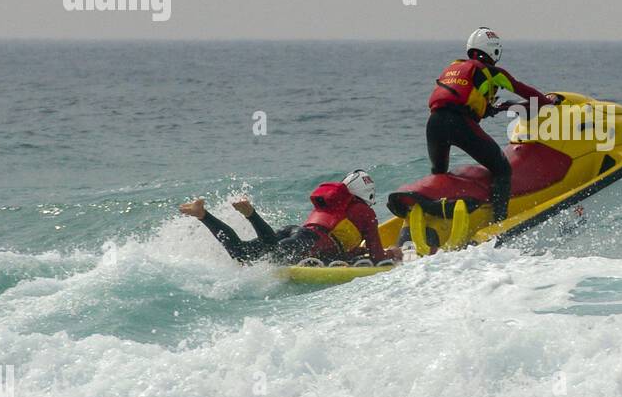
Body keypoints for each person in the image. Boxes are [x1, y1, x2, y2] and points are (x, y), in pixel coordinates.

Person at [426, 27, 558, 222]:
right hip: (458, 123)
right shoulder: (492, 72)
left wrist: (498, 107)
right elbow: (526, 91)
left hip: (434, 124)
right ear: (494, 51)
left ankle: (436, 216)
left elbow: (467, 101)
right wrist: (548, 102)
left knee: (439, 173)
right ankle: (499, 222)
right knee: (502, 168)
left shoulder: (454, 68)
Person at [179, 170, 401, 265]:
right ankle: (251, 215)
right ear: (368, 193)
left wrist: (355, 252)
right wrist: (393, 253)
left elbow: (336, 241)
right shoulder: (366, 213)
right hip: (308, 242)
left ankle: (203, 214)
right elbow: (378, 257)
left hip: (297, 232)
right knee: (274, 254)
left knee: (240, 254)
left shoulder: (339, 203)